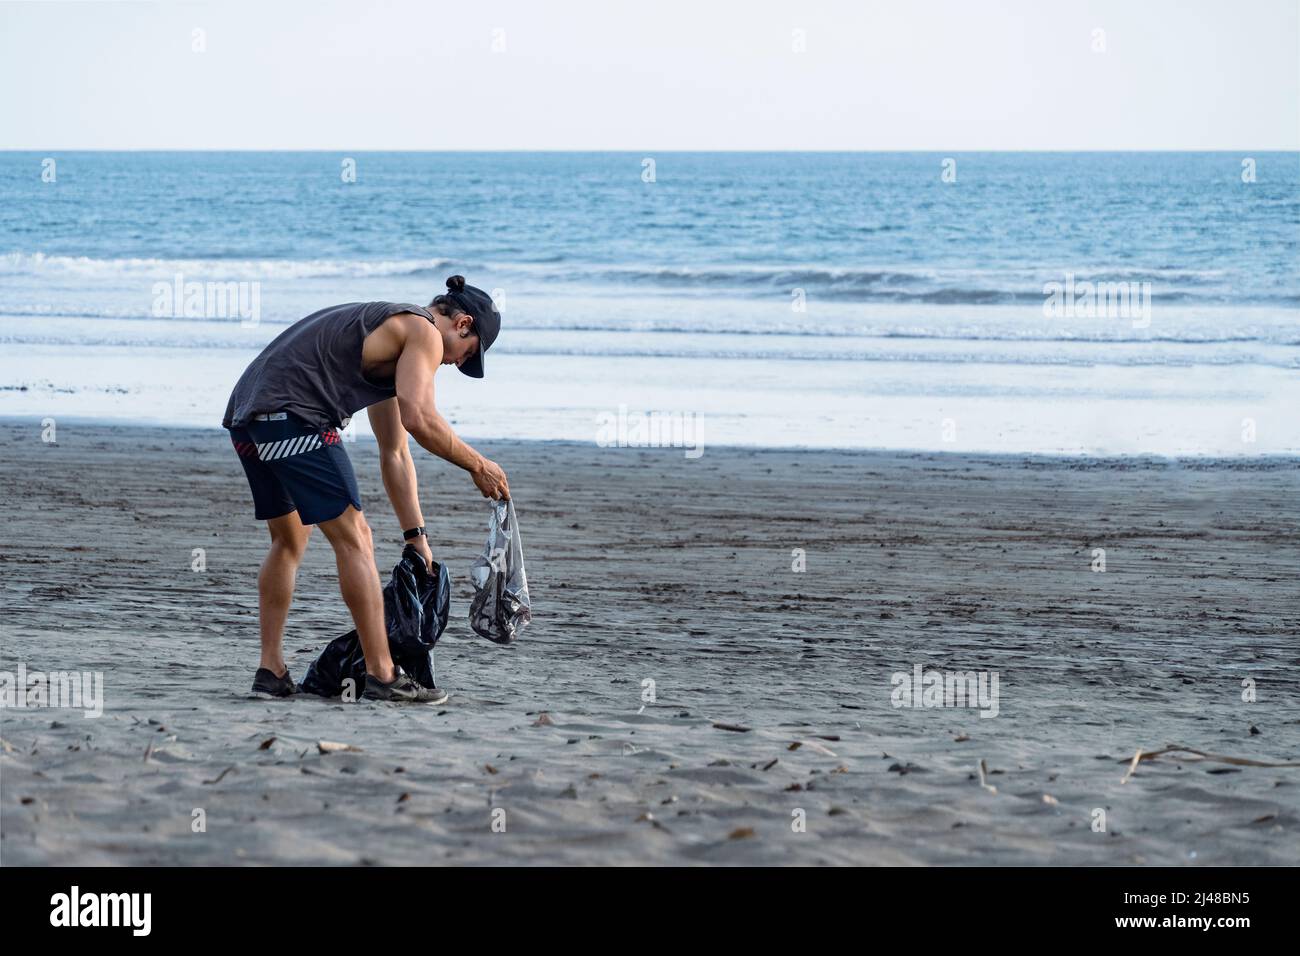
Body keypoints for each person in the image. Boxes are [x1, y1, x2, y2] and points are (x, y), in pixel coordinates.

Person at [223, 276, 510, 703]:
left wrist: (417, 538)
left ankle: (271, 672)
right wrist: (478, 465)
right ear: (462, 324)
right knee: (356, 537)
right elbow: (421, 419)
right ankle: (382, 673)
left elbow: (394, 450)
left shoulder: (390, 333)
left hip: (248, 417)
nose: (455, 364)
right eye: (467, 354)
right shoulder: (424, 332)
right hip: (294, 415)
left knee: (289, 541)